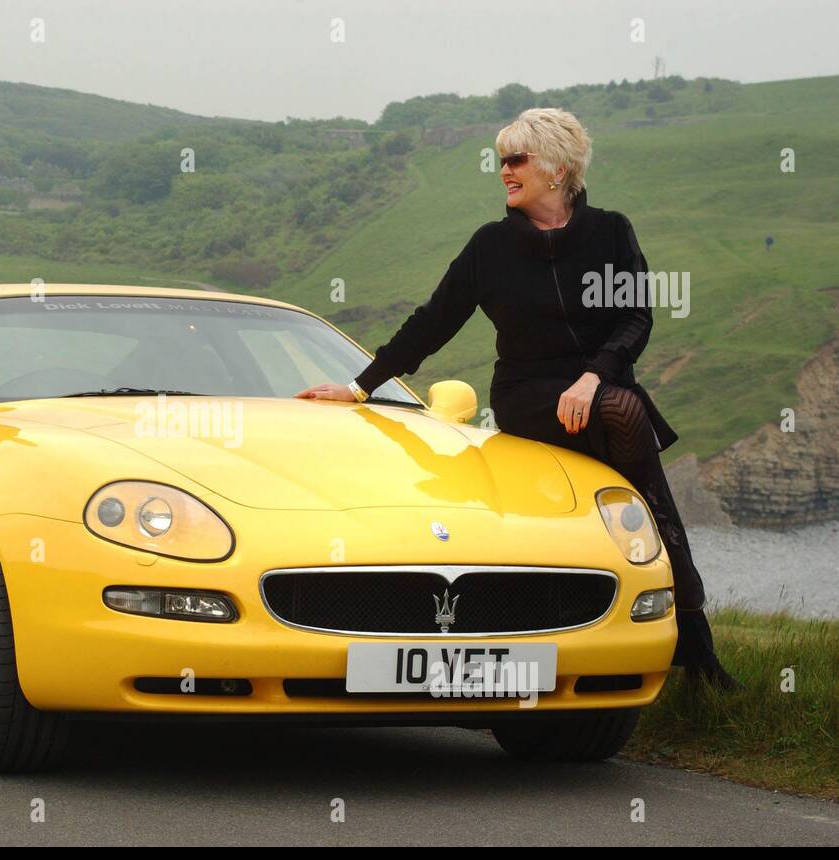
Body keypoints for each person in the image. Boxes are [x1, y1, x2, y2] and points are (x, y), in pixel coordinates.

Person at [297, 107, 737, 691]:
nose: (503, 170)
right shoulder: (491, 247)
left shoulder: (610, 231)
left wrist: (594, 377)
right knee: (635, 448)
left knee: (633, 448)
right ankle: (691, 643)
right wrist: (359, 386)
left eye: (516, 159)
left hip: (599, 389)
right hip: (528, 395)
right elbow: (433, 323)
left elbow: (636, 317)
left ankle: (678, 635)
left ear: (556, 167)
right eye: (501, 160)